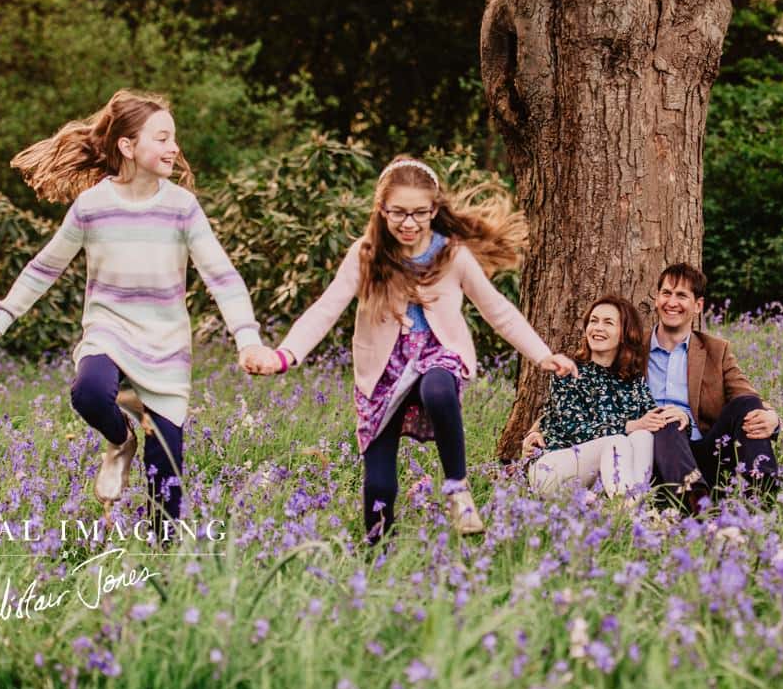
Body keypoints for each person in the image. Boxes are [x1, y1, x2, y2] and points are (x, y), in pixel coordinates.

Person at [0, 90, 261, 538]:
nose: (174, 148)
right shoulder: (92, 207)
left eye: (173, 138)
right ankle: (122, 439)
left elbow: (222, 277)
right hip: (108, 331)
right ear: (127, 145)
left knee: (165, 478)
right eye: (162, 138)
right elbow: (44, 268)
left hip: (165, 346)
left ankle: (163, 560)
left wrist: (247, 338)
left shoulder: (182, 208)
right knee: (89, 391)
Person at [242, 155, 576, 542]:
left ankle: (457, 488)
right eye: (398, 212)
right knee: (379, 487)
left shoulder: (452, 255)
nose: (409, 223)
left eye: (420, 213)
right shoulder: (366, 255)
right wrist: (284, 355)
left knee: (438, 388)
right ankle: (377, 553)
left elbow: (497, 310)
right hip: (382, 374)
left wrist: (542, 354)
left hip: (438, 355)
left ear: (434, 210)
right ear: (381, 209)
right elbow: (325, 309)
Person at [642, 262, 780, 509]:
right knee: (666, 418)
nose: (671, 302)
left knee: (747, 404)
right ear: (657, 299)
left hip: (706, 454)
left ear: (698, 306)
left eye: (681, 295)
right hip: (653, 455)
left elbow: (747, 396)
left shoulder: (716, 350)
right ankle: (695, 503)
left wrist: (774, 419)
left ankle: (762, 494)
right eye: (666, 293)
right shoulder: (634, 349)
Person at [521, 294, 657, 499]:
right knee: (617, 441)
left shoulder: (632, 380)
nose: (598, 328)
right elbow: (575, 429)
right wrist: (630, 425)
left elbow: (651, 421)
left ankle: (632, 504)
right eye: (593, 321)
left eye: (608, 322)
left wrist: (677, 415)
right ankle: (627, 507)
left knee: (643, 436)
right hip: (553, 468)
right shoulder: (568, 371)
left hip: (600, 478)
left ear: (624, 333)